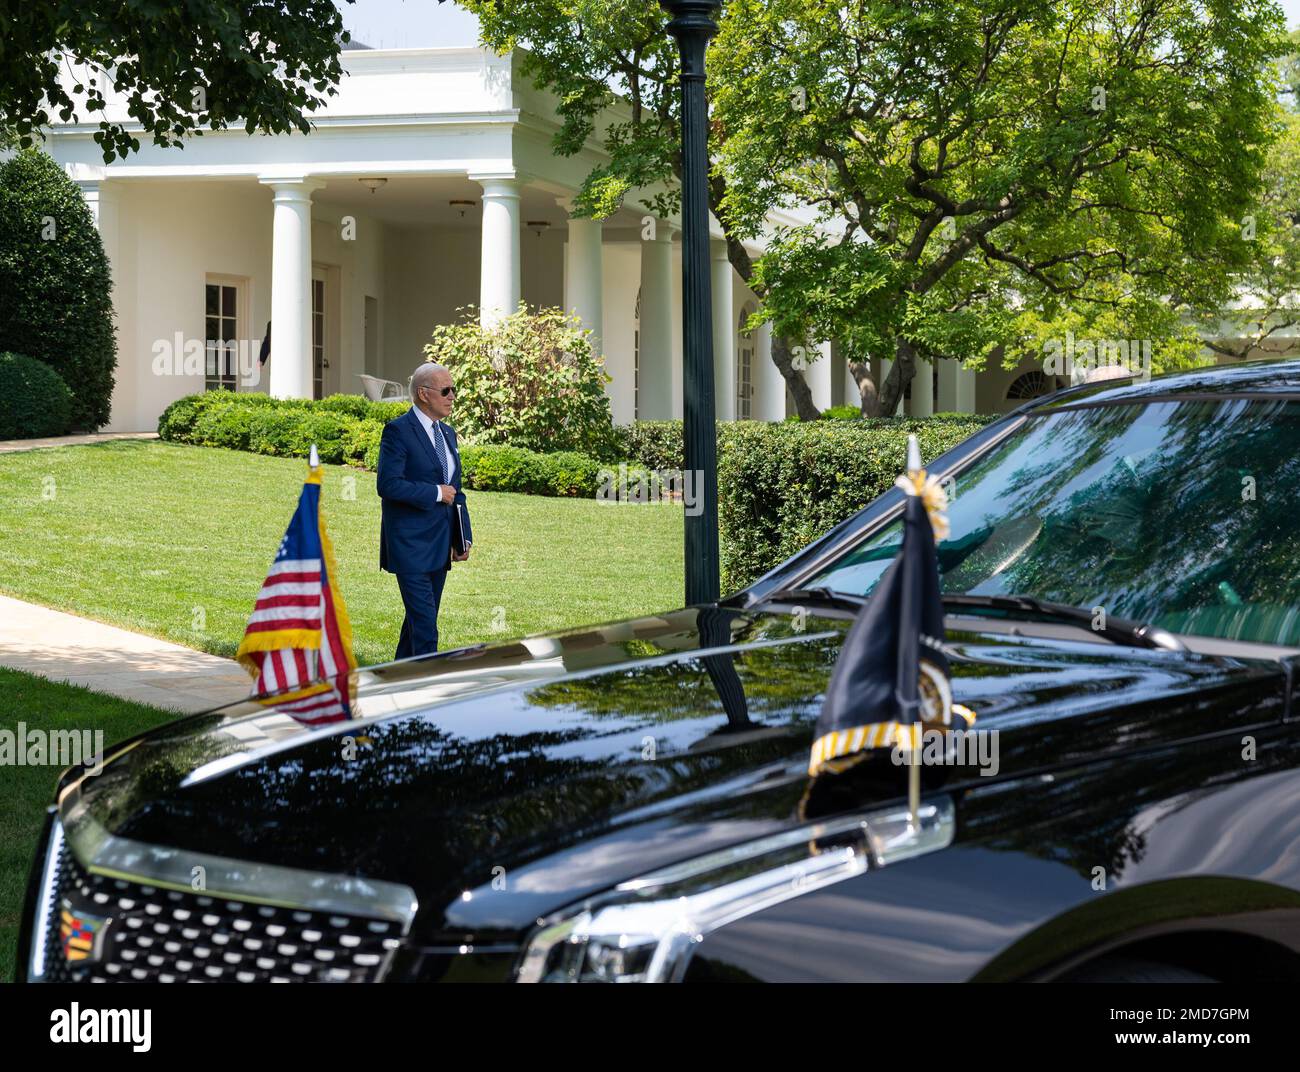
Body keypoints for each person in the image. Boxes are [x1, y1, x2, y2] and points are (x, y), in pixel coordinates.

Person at [376, 361, 472, 658]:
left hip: (440, 545)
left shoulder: (448, 434)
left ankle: (395, 683)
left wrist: (463, 536)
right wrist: (434, 493)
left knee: (417, 625)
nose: (452, 396)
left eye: (454, 390)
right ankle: (427, 696)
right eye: (446, 390)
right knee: (427, 629)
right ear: (423, 393)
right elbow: (388, 485)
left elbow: (456, 491)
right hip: (410, 545)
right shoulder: (398, 431)